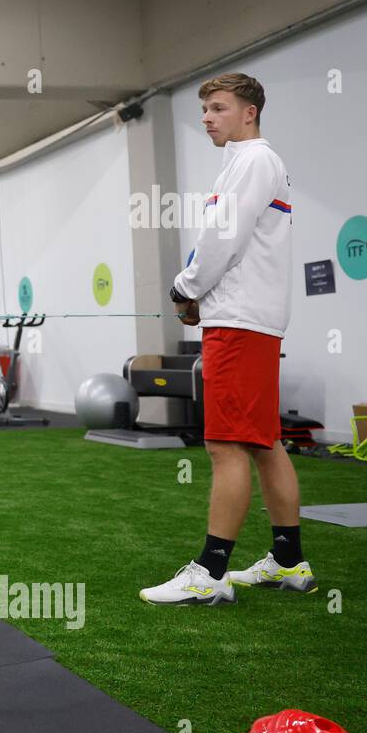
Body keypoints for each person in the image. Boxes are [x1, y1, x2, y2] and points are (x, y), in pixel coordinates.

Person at [141, 73, 316, 606]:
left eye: (218, 108)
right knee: (264, 443)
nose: (207, 118)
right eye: (205, 110)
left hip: (239, 325)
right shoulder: (250, 163)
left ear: (250, 112)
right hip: (249, 319)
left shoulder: (252, 160)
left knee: (225, 445)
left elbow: (222, 239)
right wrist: (200, 297)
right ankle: (289, 563)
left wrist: (184, 288)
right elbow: (229, 242)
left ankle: (210, 573)